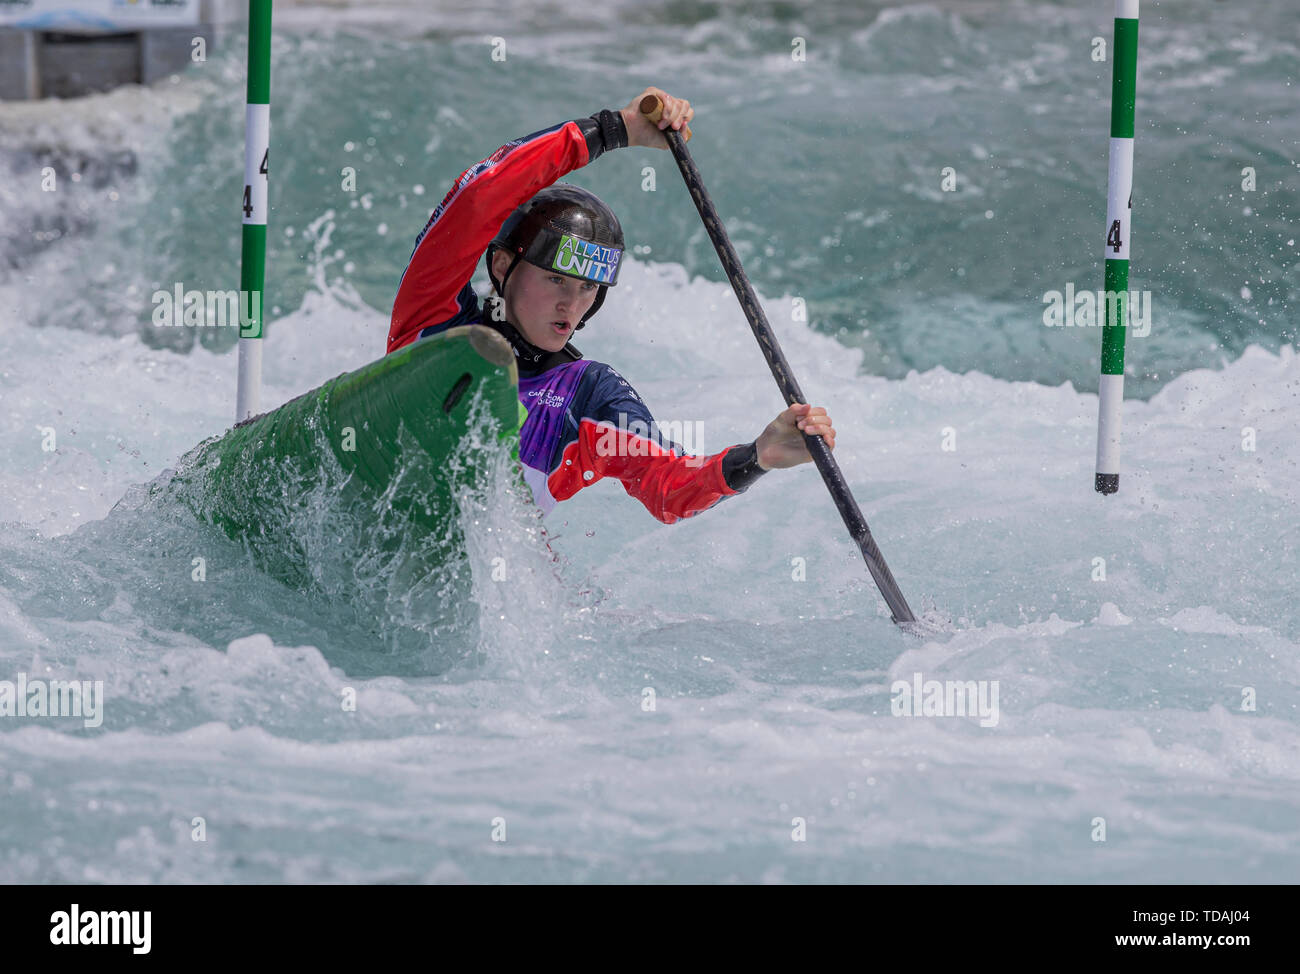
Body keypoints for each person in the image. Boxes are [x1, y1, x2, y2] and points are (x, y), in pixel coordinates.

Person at [388, 87, 836, 524]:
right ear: (503, 265)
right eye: (555, 278)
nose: (571, 303)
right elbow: (479, 195)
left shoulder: (588, 395)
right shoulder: (433, 316)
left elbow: (668, 487)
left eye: (588, 288)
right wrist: (613, 129)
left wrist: (758, 457)